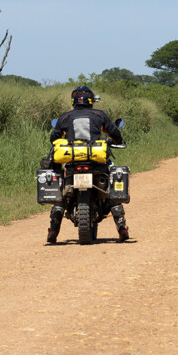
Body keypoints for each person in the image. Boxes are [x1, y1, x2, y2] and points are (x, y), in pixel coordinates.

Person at [45, 85, 129, 243]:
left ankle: (53, 230)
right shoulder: (99, 115)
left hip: (72, 163)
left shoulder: (64, 118)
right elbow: (114, 132)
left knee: (60, 195)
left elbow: (54, 138)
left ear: (73, 101)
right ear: (91, 101)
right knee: (111, 188)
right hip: (96, 163)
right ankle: (122, 227)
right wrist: (116, 141)